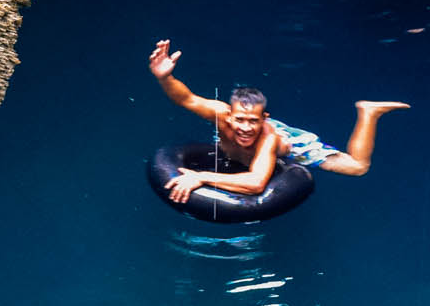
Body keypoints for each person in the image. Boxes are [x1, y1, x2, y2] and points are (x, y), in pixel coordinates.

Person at [147, 40, 408, 203]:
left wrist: (201, 176)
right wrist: (165, 78)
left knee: (358, 167)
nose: (245, 127)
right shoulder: (220, 113)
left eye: (253, 121)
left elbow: (256, 183)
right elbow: (186, 99)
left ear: (264, 119)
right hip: (244, 145)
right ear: (230, 115)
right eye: (240, 120)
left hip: (287, 144)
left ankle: (368, 112)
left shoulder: (269, 137)